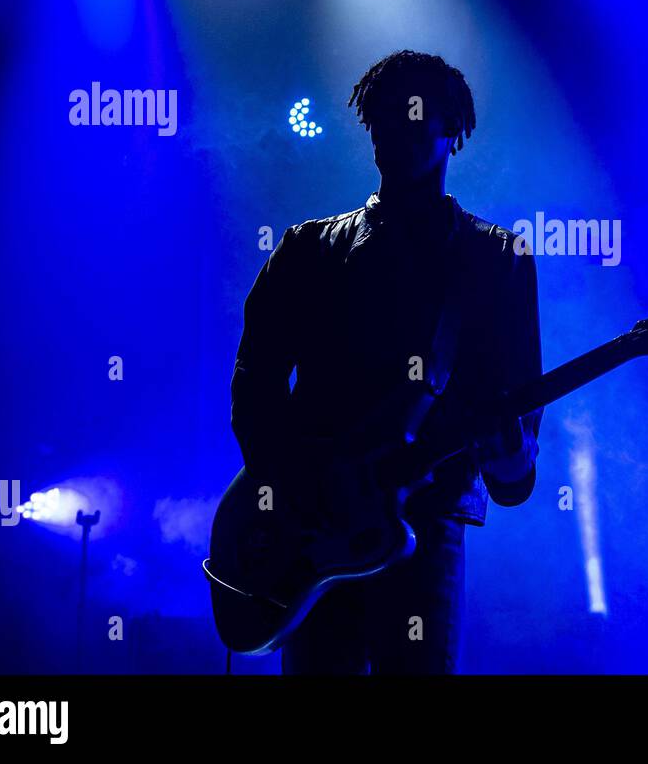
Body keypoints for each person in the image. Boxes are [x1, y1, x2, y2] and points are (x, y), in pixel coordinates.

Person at [229, 50, 542, 673]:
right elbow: (254, 385)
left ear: (452, 129)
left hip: (425, 525)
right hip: (314, 533)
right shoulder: (307, 250)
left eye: (413, 116)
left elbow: (518, 450)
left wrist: (510, 454)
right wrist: (297, 492)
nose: (394, 131)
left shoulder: (498, 260)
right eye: (382, 119)